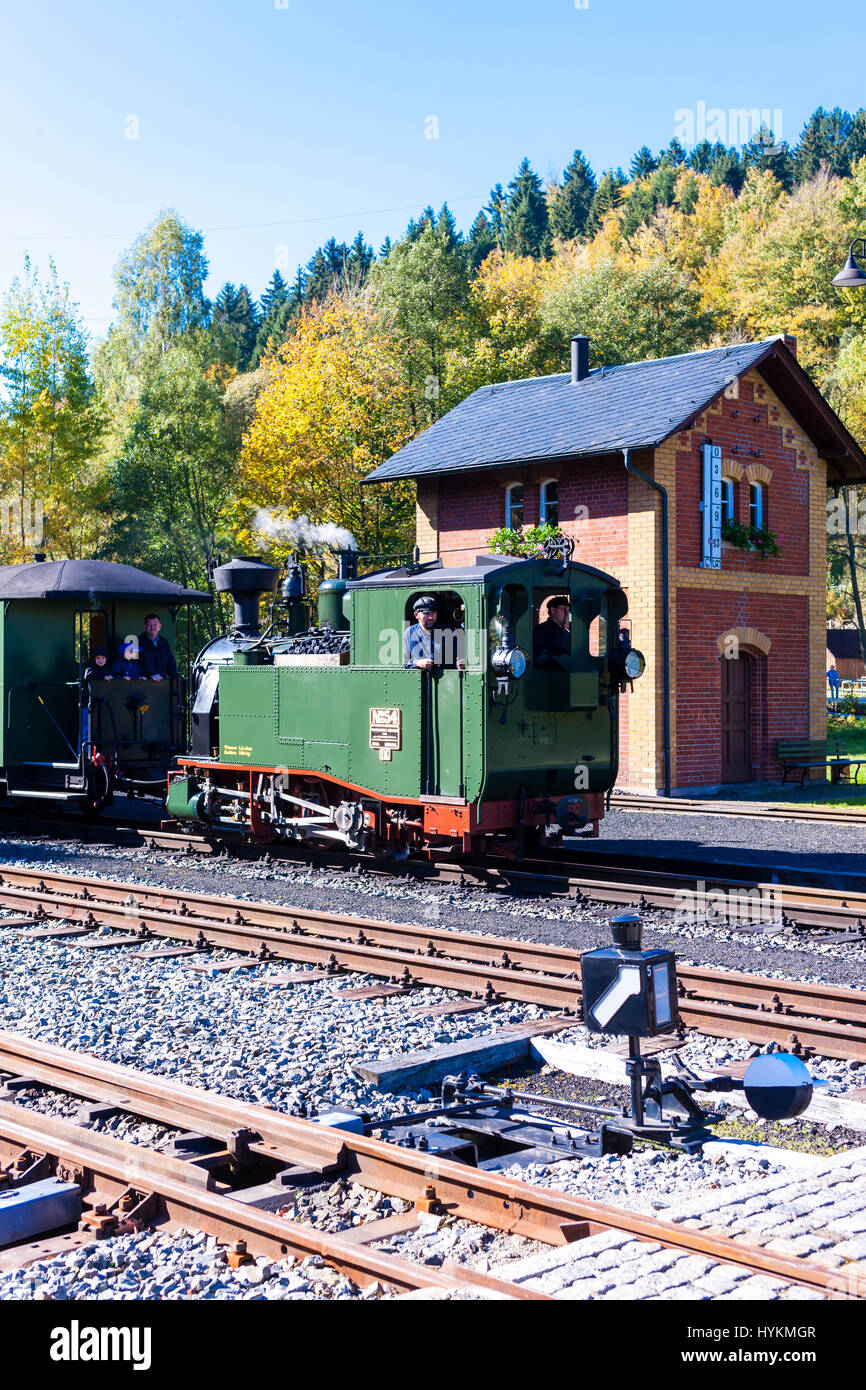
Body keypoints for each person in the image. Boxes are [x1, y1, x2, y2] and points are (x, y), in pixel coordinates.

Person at [403, 595, 466, 670]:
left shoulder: (449, 632)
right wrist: (417, 663)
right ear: (416, 615)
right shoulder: (409, 632)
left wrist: (461, 665)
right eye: (426, 613)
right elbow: (403, 661)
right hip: (420, 680)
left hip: (447, 680)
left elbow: (461, 657)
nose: (431, 617)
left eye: (433, 613)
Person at [533, 595, 571, 667]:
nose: (566, 613)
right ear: (553, 610)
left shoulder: (567, 633)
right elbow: (538, 657)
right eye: (563, 609)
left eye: (568, 611)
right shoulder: (541, 630)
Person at [139, 614, 178, 681]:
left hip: (161, 683)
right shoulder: (139, 642)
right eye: (149, 625)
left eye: (155, 625)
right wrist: (152, 674)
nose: (152, 627)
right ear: (145, 626)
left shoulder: (164, 642)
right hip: (144, 683)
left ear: (159, 626)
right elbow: (143, 661)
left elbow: (170, 661)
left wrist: (175, 676)